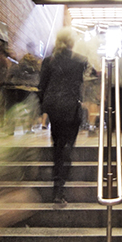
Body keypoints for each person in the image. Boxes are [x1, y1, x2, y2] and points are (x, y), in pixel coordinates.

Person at [38, 29, 88, 205]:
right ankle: (59, 188)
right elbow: (88, 81)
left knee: (58, 145)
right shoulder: (80, 60)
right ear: (72, 42)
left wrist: (42, 109)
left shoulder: (49, 61)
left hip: (54, 107)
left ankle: (57, 187)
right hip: (70, 108)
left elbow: (42, 86)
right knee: (66, 147)